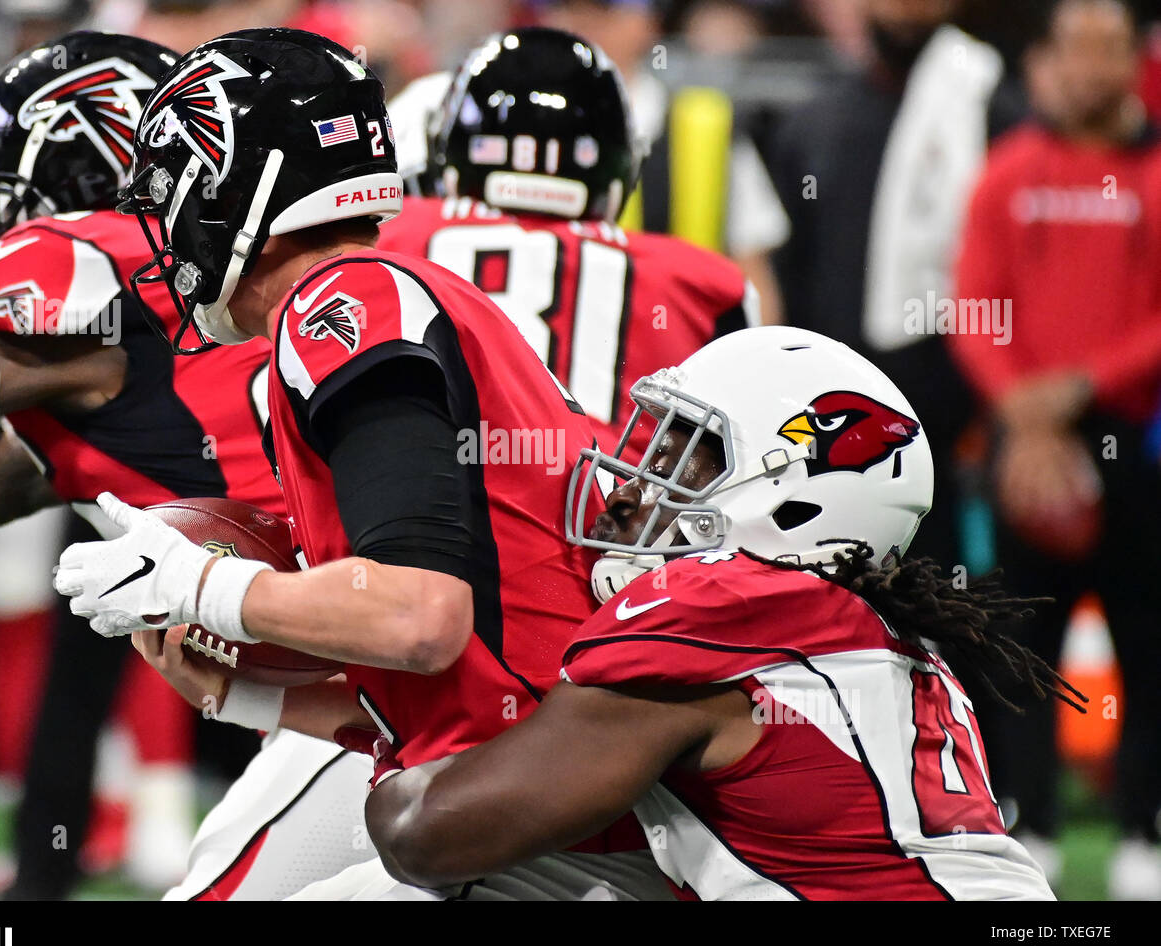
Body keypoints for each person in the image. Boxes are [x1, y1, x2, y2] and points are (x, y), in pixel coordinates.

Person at [57, 27, 669, 900]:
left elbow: (422, 618)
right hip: (563, 794)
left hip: (571, 826)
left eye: (177, 191)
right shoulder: (382, 295)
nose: (165, 228)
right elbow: (446, 690)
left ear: (236, 188)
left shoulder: (343, 300)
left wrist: (200, 587)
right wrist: (245, 696)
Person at [0, 30, 376, 901]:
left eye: (8, 183)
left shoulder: (102, 266)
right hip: (371, 668)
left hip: (392, 676)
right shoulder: (178, 314)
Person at [362, 326, 1078, 900]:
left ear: (787, 491)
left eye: (681, 458)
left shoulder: (721, 609)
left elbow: (424, 838)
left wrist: (388, 723)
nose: (633, 491)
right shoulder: (881, 630)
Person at [950, 0, 1161, 900]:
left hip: (1134, 444)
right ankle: (1025, 823)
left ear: (1131, 61)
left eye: (1105, 49)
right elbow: (972, 304)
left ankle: (1140, 831)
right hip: (1023, 448)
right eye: (1071, 50)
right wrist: (1023, 412)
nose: (1087, 67)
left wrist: (1079, 386)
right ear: (1043, 62)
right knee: (1017, 641)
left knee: (1146, 638)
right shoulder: (1008, 171)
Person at [378, 26, 756, 450]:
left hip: (426, 493)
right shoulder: (702, 283)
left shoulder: (389, 236)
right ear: (619, 164)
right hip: (607, 505)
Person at [768, 0, 1025, 576]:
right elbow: (789, 276)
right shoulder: (812, 124)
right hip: (826, 421)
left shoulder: (999, 115)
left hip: (961, 424)